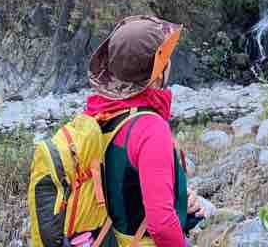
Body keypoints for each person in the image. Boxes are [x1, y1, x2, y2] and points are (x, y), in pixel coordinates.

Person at [86, 16, 208, 247]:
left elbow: (123, 183)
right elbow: (161, 225)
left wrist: (179, 197)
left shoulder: (99, 113)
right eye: (166, 58)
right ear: (158, 71)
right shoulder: (150, 129)